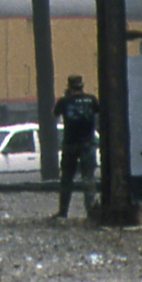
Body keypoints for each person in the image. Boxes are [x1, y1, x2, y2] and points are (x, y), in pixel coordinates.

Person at [53, 73, 100, 219]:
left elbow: (54, 114)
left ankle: (63, 211)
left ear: (69, 86)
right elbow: (98, 112)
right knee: (88, 178)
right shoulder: (91, 99)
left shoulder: (64, 101)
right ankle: (90, 210)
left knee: (66, 179)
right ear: (82, 86)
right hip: (88, 143)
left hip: (70, 143)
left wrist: (66, 97)